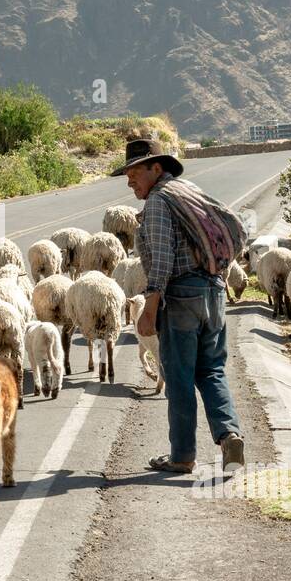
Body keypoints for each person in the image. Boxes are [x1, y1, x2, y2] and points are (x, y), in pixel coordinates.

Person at [111, 139, 245, 473]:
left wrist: (150, 307)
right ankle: (229, 435)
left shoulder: (158, 202)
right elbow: (235, 233)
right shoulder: (190, 192)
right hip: (214, 293)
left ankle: (183, 455)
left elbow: (163, 258)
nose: (129, 182)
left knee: (179, 375)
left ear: (157, 168)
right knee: (211, 369)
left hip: (182, 295)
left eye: (134, 173)